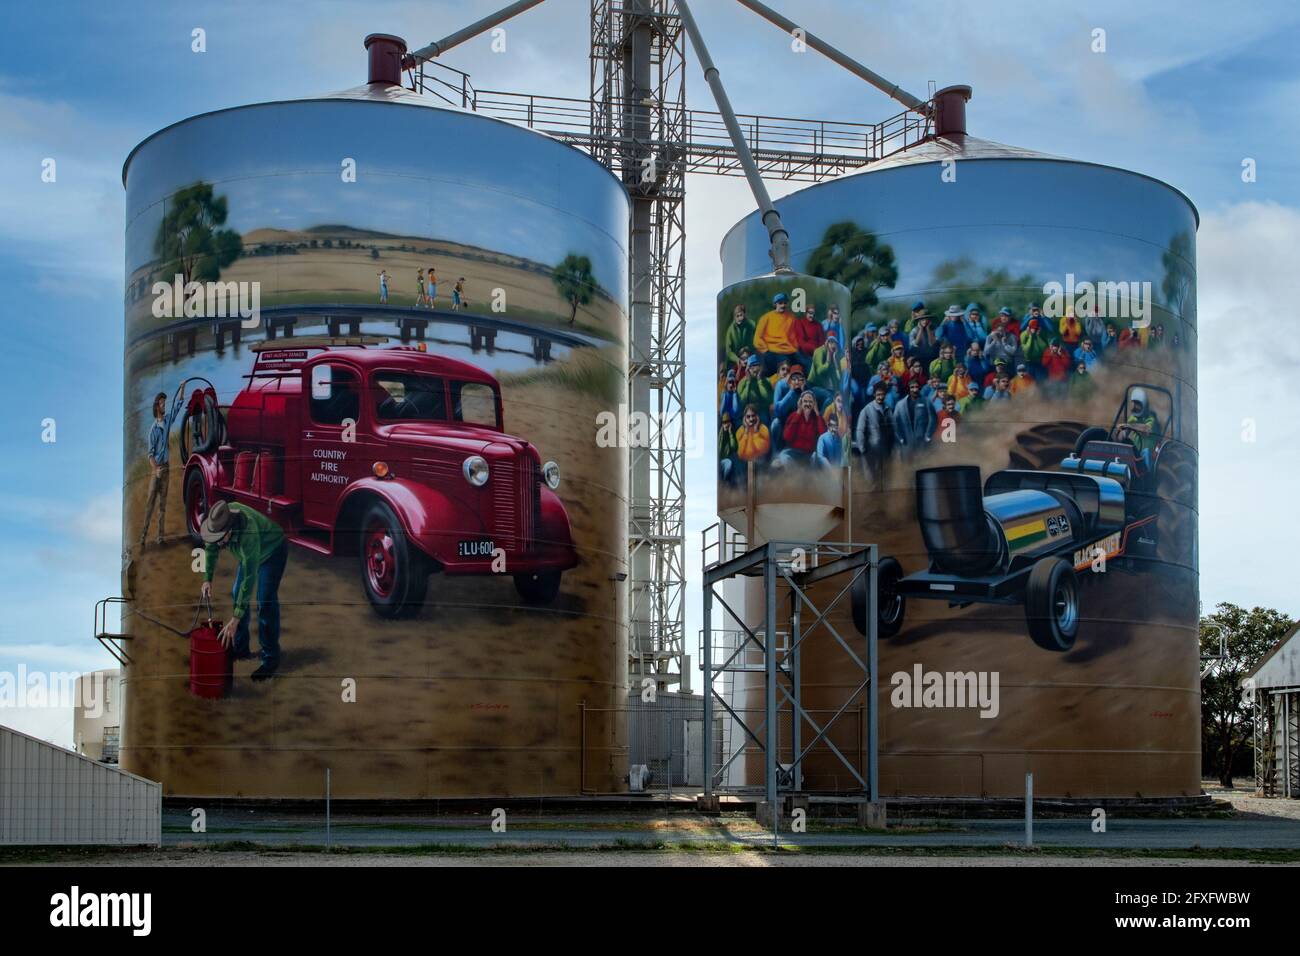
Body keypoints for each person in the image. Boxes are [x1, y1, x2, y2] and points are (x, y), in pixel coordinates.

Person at [198, 500, 289, 681]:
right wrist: (207, 579)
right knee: (235, 592)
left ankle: (270, 659)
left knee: (265, 600)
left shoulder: (248, 532)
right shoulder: (218, 520)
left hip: (272, 550)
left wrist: (236, 618)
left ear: (229, 530)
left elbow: (249, 576)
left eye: (220, 539)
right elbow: (210, 547)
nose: (217, 542)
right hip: (250, 555)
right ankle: (241, 649)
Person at [139, 390, 185, 550]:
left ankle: (160, 537)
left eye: (165, 403)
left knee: (163, 505)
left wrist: (182, 389)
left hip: (167, 468)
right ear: (157, 407)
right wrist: (155, 469)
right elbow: (150, 454)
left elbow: (178, 407)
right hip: (156, 470)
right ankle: (143, 539)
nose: (165, 406)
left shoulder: (166, 422)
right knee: (150, 504)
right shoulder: (153, 430)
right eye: (162, 404)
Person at [855, 383, 894, 490]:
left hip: (885, 449)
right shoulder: (866, 410)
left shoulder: (888, 409)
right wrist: (862, 448)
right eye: (878, 395)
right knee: (872, 479)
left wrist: (892, 446)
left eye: (882, 395)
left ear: (885, 395)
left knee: (885, 477)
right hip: (871, 450)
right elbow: (860, 430)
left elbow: (892, 428)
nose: (880, 397)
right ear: (874, 395)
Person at [775, 390, 825, 466]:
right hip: (795, 451)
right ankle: (794, 475)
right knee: (783, 455)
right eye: (805, 401)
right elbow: (787, 436)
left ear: (814, 404)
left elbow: (823, 436)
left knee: (815, 457)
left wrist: (817, 413)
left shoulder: (817, 418)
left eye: (810, 402)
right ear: (800, 403)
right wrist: (798, 413)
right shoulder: (794, 416)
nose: (808, 404)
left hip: (810, 453)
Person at [753, 292, 799, 374]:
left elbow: (794, 337)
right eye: (780, 303)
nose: (783, 305)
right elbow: (757, 338)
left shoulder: (792, 318)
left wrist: (796, 348)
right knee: (785, 365)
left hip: (790, 350)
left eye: (785, 303)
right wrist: (766, 350)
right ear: (775, 304)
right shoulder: (766, 318)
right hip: (774, 350)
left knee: (807, 362)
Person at [893, 377, 936, 457]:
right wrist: (900, 438)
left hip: (922, 441)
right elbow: (895, 422)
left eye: (916, 387)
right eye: (912, 387)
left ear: (919, 388)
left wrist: (928, 436)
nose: (915, 389)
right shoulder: (900, 404)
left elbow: (933, 419)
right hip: (907, 441)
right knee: (907, 466)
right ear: (909, 389)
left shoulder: (926, 402)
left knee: (923, 464)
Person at [1119, 387, 1159, 468]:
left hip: (1150, 455)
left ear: (1143, 404)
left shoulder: (1150, 418)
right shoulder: (1132, 418)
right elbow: (1123, 435)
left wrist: (1129, 426)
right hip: (1135, 453)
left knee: (1146, 452)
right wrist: (1121, 432)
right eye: (1133, 403)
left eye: (1137, 404)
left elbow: (1147, 429)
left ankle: (1147, 477)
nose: (1134, 406)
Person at [737, 354, 774, 422]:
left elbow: (768, 399)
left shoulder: (766, 381)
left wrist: (759, 380)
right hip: (747, 412)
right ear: (748, 369)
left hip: (762, 412)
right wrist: (748, 382)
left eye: (757, 365)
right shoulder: (742, 382)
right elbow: (741, 402)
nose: (755, 369)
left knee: (764, 418)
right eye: (752, 366)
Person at [718, 413, 739, 482]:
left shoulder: (732, 433)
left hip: (726, 459)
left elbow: (734, 447)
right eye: (724, 422)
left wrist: (730, 433)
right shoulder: (719, 433)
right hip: (718, 460)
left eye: (727, 422)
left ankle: (724, 482)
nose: (726, 424)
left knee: (729, 463)